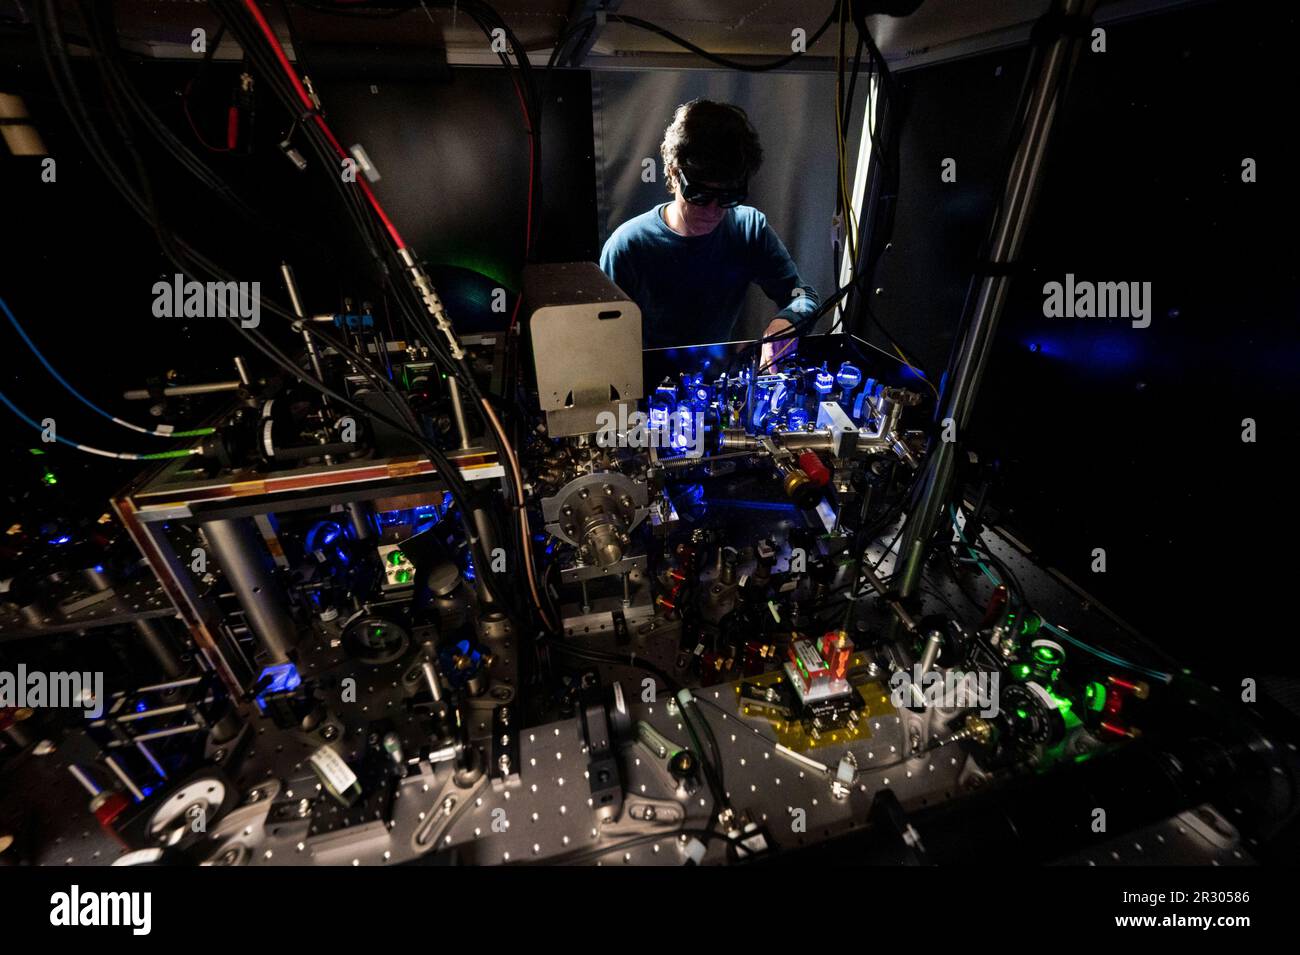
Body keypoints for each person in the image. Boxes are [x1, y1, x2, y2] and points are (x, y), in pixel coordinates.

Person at [599, 99, 819, 359]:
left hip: (713, 382)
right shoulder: (629, 246)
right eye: (700, 195)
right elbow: (604, 340)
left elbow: (803, 295)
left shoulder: (748, 230)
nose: (713, 210)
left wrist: (787, 324)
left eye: (728, 197)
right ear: (672, 173)